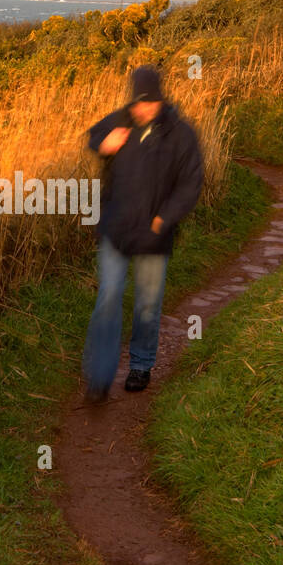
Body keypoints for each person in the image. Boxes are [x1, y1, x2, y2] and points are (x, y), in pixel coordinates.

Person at [81, 64, 204, 404]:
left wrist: (164, 218)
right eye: (136, 102)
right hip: (116, 227)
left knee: (148, 304)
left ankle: (141, 365)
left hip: (154, 234)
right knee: (108, 298)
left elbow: (191, 183)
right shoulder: (121, 120)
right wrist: (103, 143)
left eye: (147, 102)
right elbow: (92, 136)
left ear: (161, 100)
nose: (141, 109)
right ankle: (100, 376)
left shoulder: (181, 134)